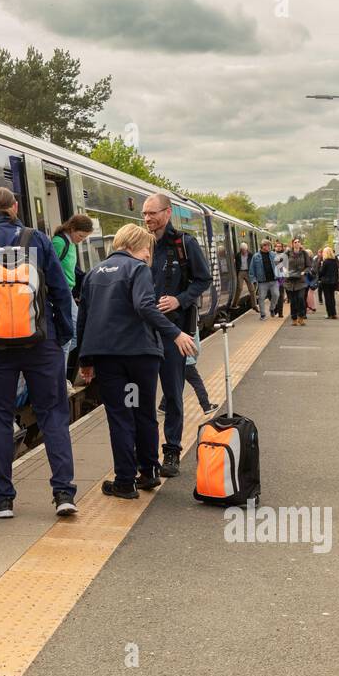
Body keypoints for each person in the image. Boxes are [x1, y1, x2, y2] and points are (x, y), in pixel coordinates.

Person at [0, 186, 77, 517]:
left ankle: (2, 498)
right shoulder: (38, 240)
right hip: (42, 343)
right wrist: (62, 334)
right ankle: (64, 494)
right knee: (53, 415)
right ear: (15, 207)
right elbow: (60, 291)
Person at [78, 223, 197, 499]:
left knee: (120, 417)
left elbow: (84, 320)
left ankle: (124, 481)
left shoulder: (93, 274)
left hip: (109, 358)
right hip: (142, 356)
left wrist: (85, 361)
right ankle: (149, 471)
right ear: (133, 245)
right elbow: (144, 306)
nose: (147, 255)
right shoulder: (137, 269)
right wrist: (176, 333)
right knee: (143, 414)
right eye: (146, 249)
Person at [141, 194, 213, 478]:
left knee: (172, 393)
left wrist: (180, 300)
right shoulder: (141, 244)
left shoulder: (185, 244)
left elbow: (203, 279)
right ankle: (145, 454)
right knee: (144, 396)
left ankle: (172, 451)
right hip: (144, 332)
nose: (147, 219)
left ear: (167, 213)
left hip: (174, 331)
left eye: (152, 213)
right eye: (144, 214)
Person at [52, 214, 94, 377]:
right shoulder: (58, 242)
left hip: (68, 293)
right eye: (81, 236)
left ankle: (57, 369)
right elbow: (51, 268)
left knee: (74, 334)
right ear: (72, 229)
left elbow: (72, 271)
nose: (81, 240)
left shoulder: (70, 244)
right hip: (61, 294)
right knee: (74, 332)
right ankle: (59, 377)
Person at [284, 237, 310, 325]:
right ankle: (294, 319)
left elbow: (309, 266)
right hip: (290, 281)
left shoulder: (304, 253)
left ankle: (301, 317)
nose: (297, 243)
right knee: (293, 301)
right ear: (292, 244)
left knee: (301, 299)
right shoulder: (287, 253)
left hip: (301, 281)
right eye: (295, 242)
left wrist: (304, 272)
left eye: (298, 242)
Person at [250, 239, 279, 319]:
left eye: (270, 245)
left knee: (276, 295)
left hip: (274, 280)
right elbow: (252, 269)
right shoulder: (256, 256)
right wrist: (253, 280)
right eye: (268, 245)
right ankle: (263, 314)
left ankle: (272, 308)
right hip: (262, 281)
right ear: (263, 246)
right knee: (261, 297)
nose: (269, 247)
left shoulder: (273, 254)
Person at [317, 246, 339, 318]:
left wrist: (320, 268)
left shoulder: (325, 262)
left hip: (325, 282)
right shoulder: (335, 261)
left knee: (327, 298)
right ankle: (334, 314)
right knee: (332, 298)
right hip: (334, 282)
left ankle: (329, 314)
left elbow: (321, 272)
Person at [233, 242, 254, 309]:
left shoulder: (251, 255)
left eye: (244, 250)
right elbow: (235, 264)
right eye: (242, 250)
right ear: (240, 249)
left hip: (248, 272)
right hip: (241, 272)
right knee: (239, 288)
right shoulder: (238, 255)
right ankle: (234, 304)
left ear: (246, 249)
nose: (243, 251)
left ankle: (254, 305)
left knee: (252, 289)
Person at [272, 240, 288, 317]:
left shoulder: (284, 256)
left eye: (279, 247)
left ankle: (280, 313)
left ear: (282, 248)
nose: (278, 248)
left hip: (281, 277)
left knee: (281, 295)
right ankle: (276, 308)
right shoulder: (271, 255)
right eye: (277, 246)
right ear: (274, 247)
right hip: (272, 278)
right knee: (273, 294)